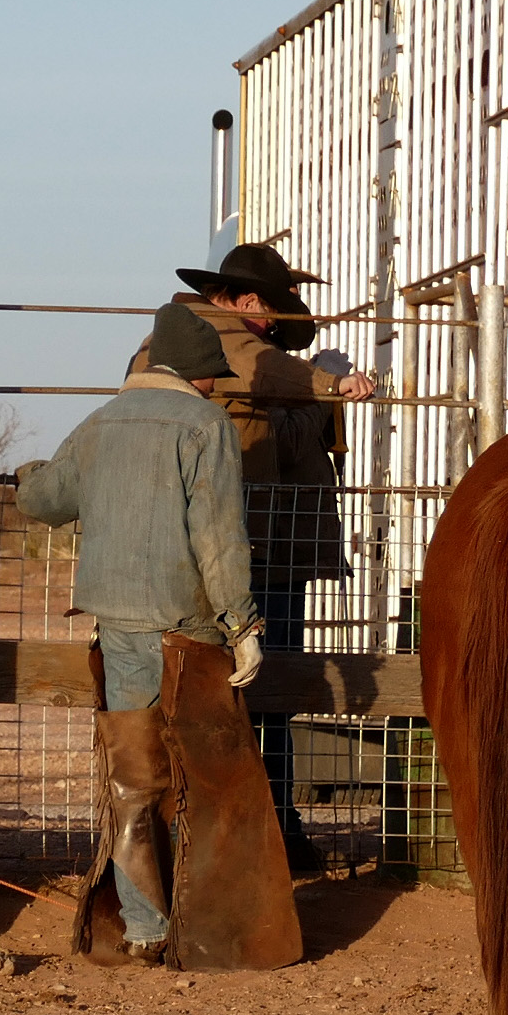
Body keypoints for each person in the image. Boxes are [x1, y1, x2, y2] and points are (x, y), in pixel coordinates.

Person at [16, 304, 300, 969]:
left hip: (118, 623)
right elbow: (219, 535)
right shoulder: (205, 425)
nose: (213, 386)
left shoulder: (101, 421)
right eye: (211, 376)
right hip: (189, 626)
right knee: (206, 775)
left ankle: (144, 926)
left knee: (134, 775)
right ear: (196, 374)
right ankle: (206, 925)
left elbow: (46, 500)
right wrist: (243, 622)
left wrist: (26, 473)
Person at [128, 245, 375, 870]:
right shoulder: (218, 336)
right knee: (258, 689)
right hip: (248, 550)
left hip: (249, 546)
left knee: (243, 690)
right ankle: (264, 831)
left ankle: (245, 828)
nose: (275, 330)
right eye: (271, 312)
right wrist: (329, 384)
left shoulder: (206, 345)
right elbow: (263, 373)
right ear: (241, 301)